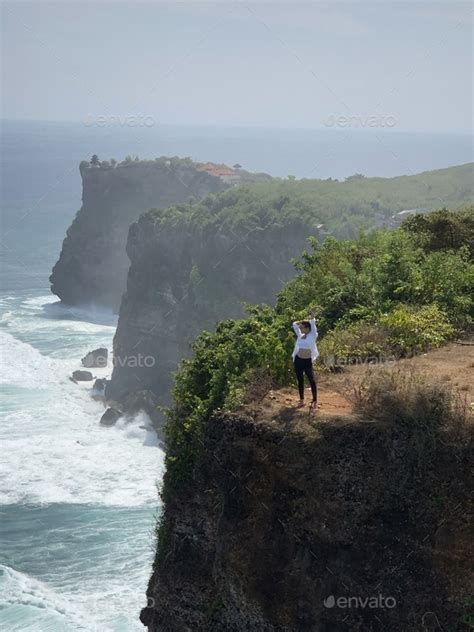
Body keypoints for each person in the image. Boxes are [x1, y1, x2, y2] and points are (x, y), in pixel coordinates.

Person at [292, 311, 319, 409]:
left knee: (312, 380)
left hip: (307, 361)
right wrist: (300, 322)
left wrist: (311, 318)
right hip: (298, 360)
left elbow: (313, 324)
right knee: (300, 380)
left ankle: (315, 401)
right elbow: (294, 325)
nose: (300, 329)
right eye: (300, 328)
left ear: (307, 328)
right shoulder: (300, 336)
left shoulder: (313, 335)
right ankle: (301, 400)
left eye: (302, 327)